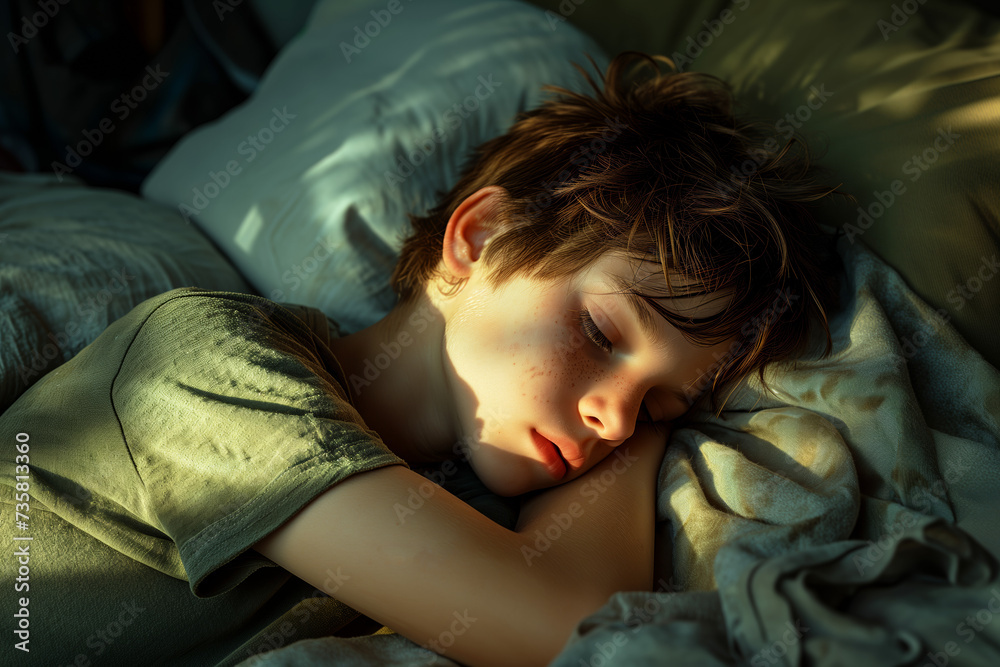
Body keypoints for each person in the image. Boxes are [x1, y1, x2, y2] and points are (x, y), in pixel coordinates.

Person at [1, 52, 842, 666]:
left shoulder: (462, 496)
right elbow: (573, 628)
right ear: (478, 238)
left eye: (660, 406)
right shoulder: (209, 362)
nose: (616, 419)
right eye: (601, 334)